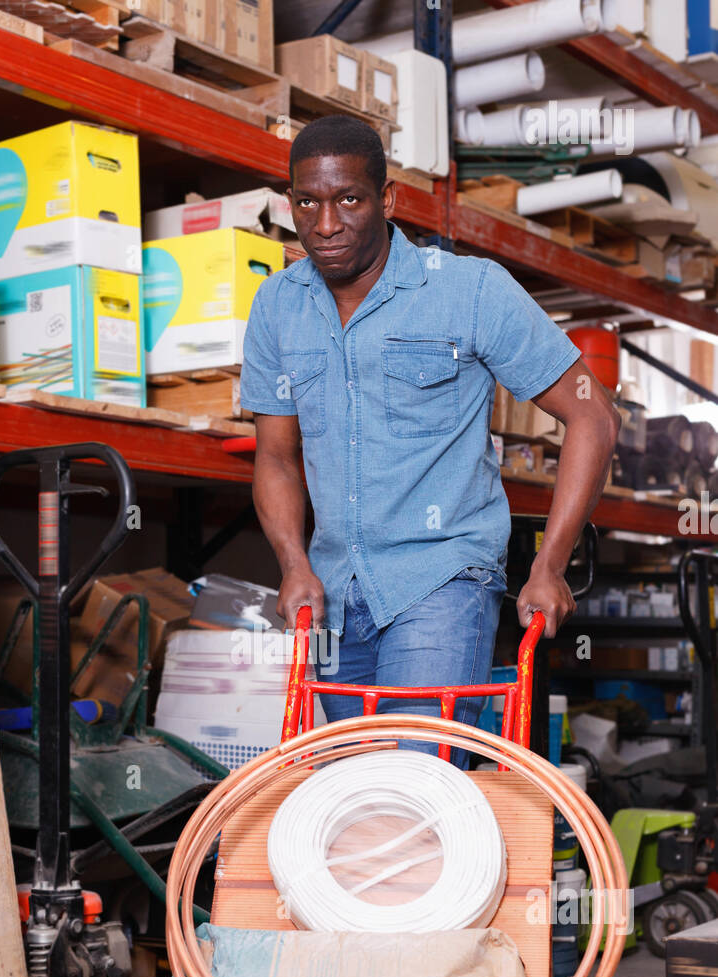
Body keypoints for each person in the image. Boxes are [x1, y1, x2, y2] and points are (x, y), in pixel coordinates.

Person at [240, 115, 619, 765]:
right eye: (308, 202)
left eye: (349, 200)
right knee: (351, 800)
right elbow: (275, 456)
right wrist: (293, 564)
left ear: (387, 200)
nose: (325, 224)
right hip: (334, 592)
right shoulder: (277, 306)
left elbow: (592, 417)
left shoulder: (468, 292)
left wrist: (550, 565)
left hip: (440, 582)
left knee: (417, 791)